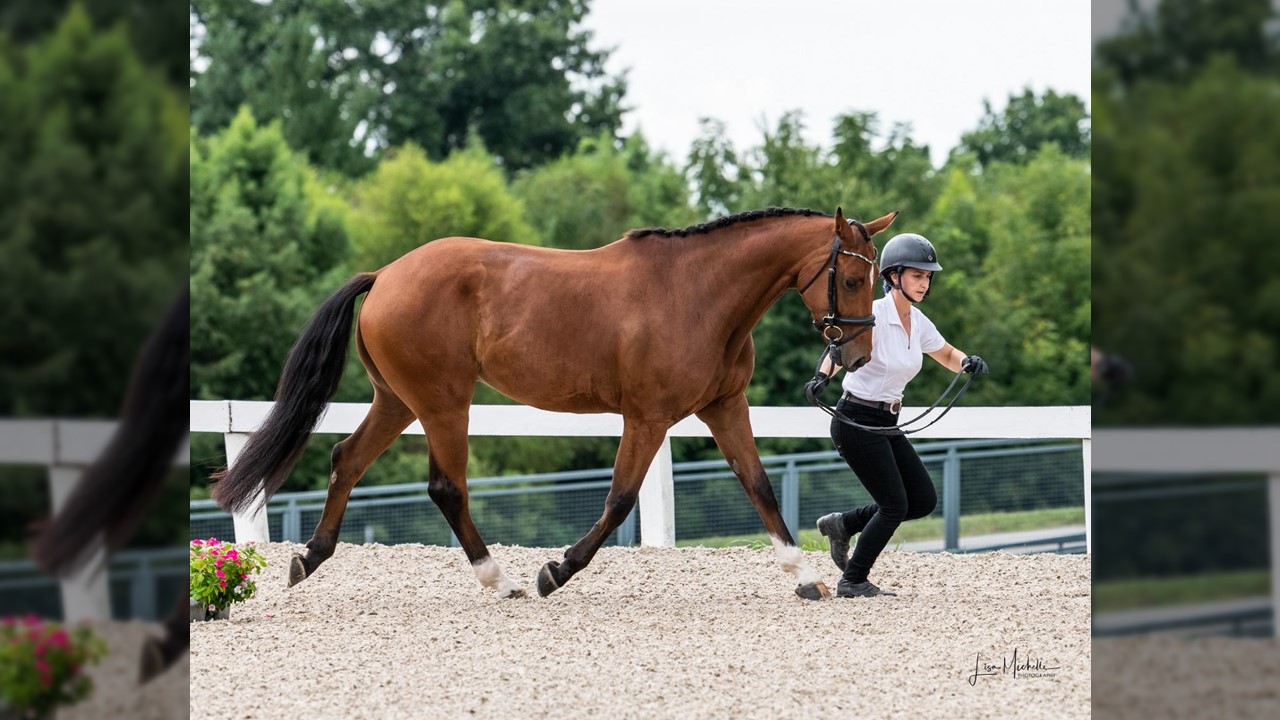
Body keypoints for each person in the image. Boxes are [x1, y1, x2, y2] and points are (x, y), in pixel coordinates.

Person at [806, 232, 988, 598]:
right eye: (917, 275)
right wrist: (821, 377)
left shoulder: (918, 322)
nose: (925, 282)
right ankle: (853, 580)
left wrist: (966, 362)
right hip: (855, 420)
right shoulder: (871, 313)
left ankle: (843, 524)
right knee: (894, 505)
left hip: (886, 423)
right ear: (893, 277)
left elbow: (946, 353)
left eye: (927, 276)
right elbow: (840, 350)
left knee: (922, 500)